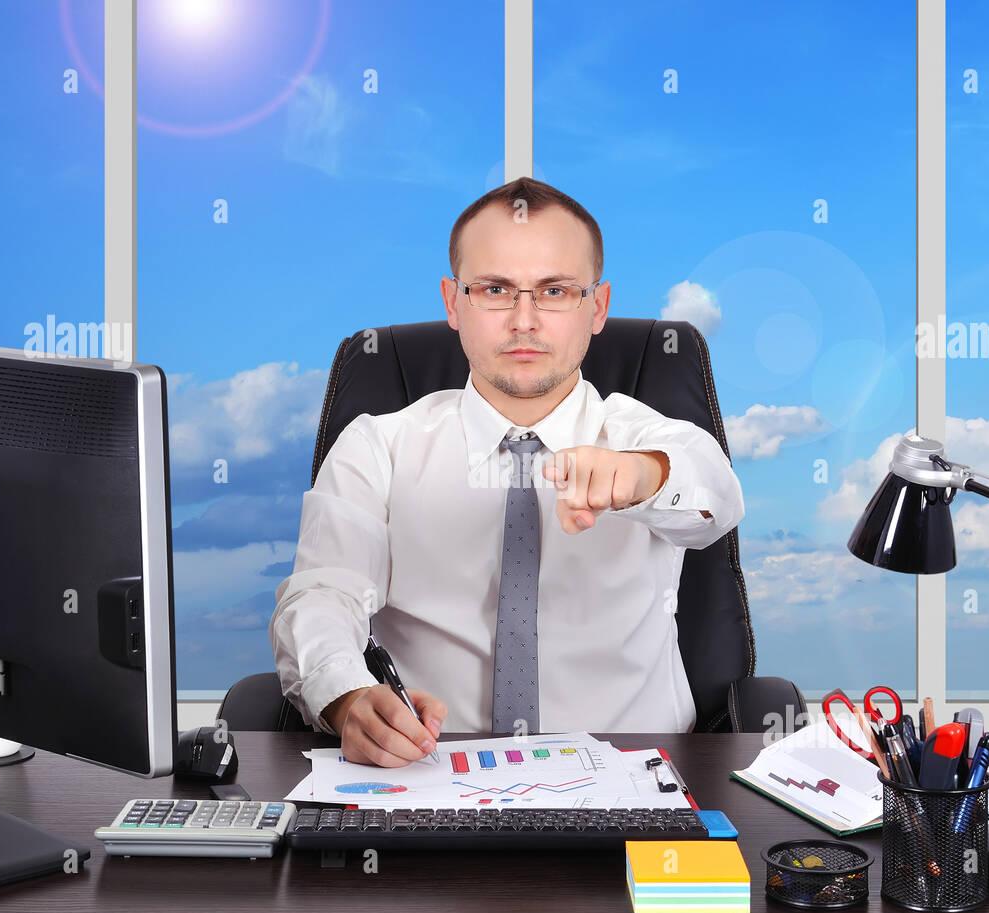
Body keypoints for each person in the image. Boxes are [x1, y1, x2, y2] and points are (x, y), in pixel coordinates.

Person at [269, 177, 744, 767]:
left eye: (555, 291)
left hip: (636, 779)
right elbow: (323, 594)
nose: (524, 320)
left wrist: (642, 477)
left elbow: (715, 496)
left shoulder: (643, 435)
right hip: (427, 774)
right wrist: (345, 696)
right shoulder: (377, 446)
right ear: (453, 303)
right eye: (495, 289)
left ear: (595, 307)